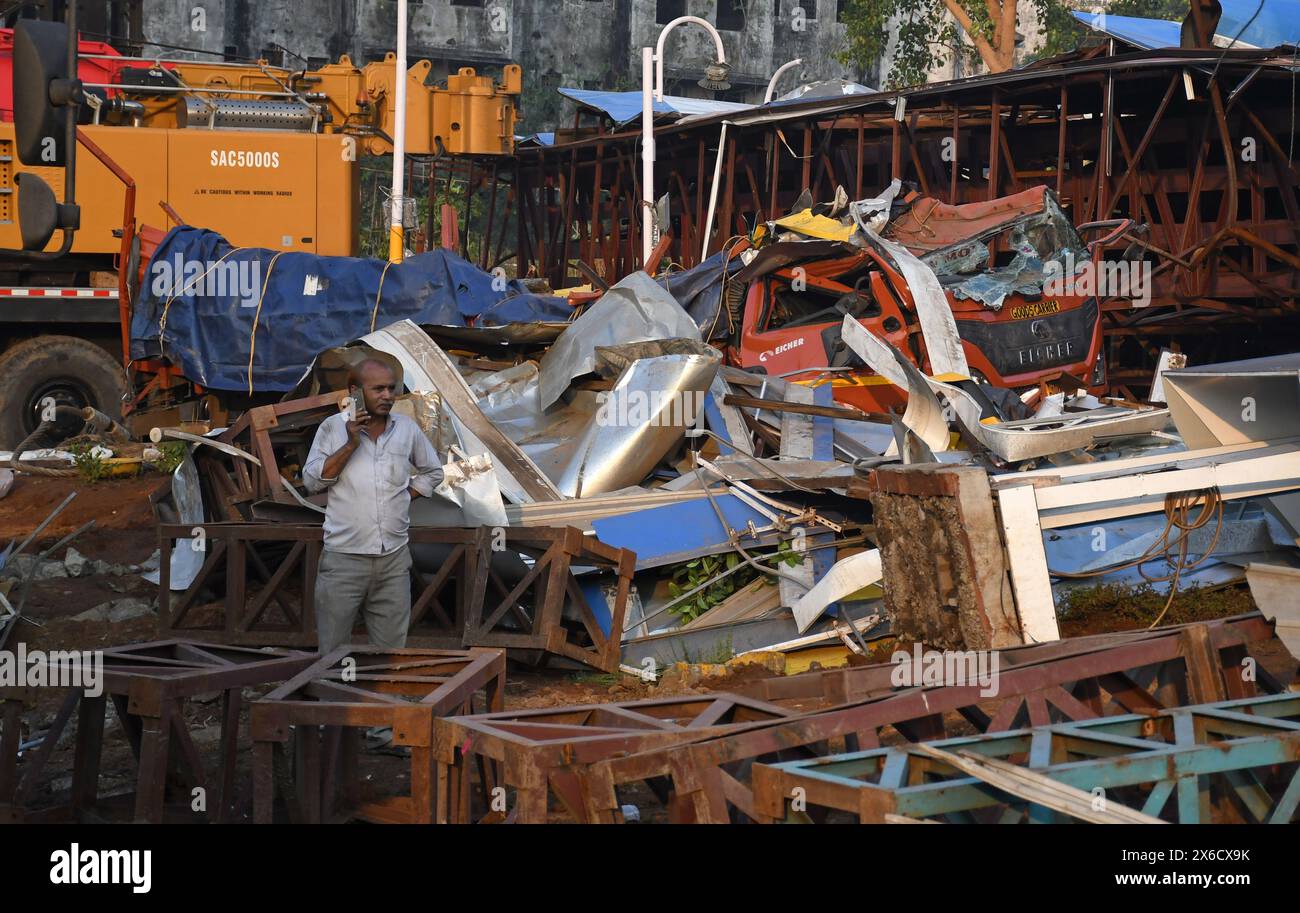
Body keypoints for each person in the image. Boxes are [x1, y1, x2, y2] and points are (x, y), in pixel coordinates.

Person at [303, 358, 442, 654]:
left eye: (391, 388)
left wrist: (406, 496)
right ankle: (335, 698)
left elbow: (433, 472)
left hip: (393, 559)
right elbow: (312, 482)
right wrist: (351, 444)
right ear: (354, 391)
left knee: (391, 652)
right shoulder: (332, 428)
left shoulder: (406, 429)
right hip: (343, 560)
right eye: (378, 389)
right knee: (333, 651)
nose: (388, 396)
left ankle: (384, 699)